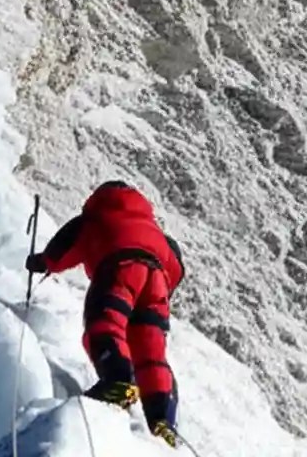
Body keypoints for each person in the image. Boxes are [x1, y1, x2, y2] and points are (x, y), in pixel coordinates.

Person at [25, 181, 185, 448]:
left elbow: (64, 247)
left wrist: (41, 262)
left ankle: (117, 380)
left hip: (119, 268)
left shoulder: (96, 217)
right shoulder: (153, 228)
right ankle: (162, 418)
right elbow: (177, 265)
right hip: (157, 280)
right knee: (150, 350)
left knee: (106, 323)